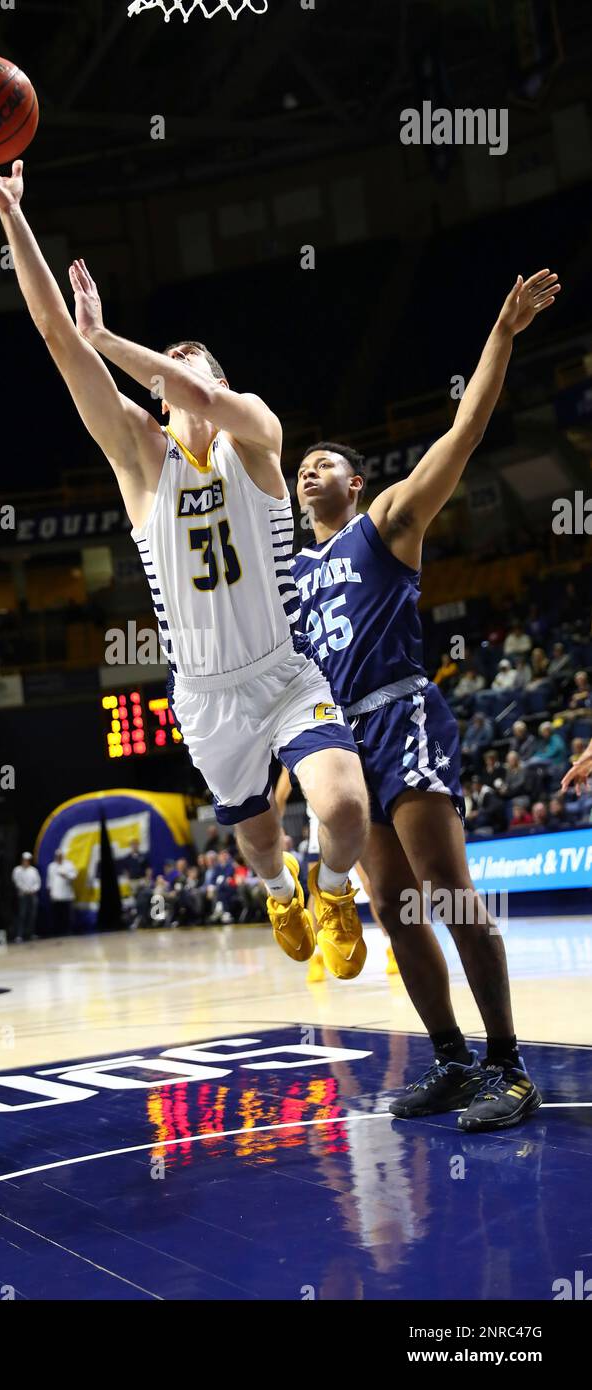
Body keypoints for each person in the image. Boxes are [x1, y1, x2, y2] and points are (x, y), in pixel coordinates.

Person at [0, 156, 371, 978]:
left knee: (345, 808)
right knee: (256, 838)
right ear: (155, 400)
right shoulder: (142, 463)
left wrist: (108, 337)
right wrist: (11, 214)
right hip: (205, 693)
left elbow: (196, 393)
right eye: (171, 366)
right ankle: (280, 888)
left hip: (286, 672)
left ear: (214, 381)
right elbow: (54, 339)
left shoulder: (255, 432)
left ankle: (331, 889)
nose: (182, 368)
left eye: (194, 360)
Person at [287, 268, 558, 1131]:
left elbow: (466, 428)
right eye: (300, 467)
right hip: (339, 739)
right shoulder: (289, 578)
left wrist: (503, 333)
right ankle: (448, 1060)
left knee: (446, 890)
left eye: (322, 462)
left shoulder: (390, 521)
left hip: (401, 711)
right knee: (396, 909)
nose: (306, 472)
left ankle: (508, 1066)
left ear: (357, 484)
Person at [46, 849, 77, 936]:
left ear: (63, 856)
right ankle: (57, 931)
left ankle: (68, 931)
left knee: (67, 915)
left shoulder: (68, 864)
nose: (59, 858)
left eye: (60, 856)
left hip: (67, 895)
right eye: (57, 856)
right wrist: (49, 892)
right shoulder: (51, 866)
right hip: (56, 895)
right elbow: (49, 881)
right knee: (57, 915)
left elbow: (74, 875)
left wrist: (66, 875)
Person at [12, 851, 41, 942]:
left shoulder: (33, 870)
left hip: (32, 895)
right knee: (22, 914)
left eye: (28, 860)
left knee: (32, 915)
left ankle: (31, 933)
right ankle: (19, 934)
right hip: (23, 895)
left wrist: (33, 890)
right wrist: (25, 890)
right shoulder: (17, 870)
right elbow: (17, 882)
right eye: (25, 860)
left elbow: (38, 882)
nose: (26, 862)